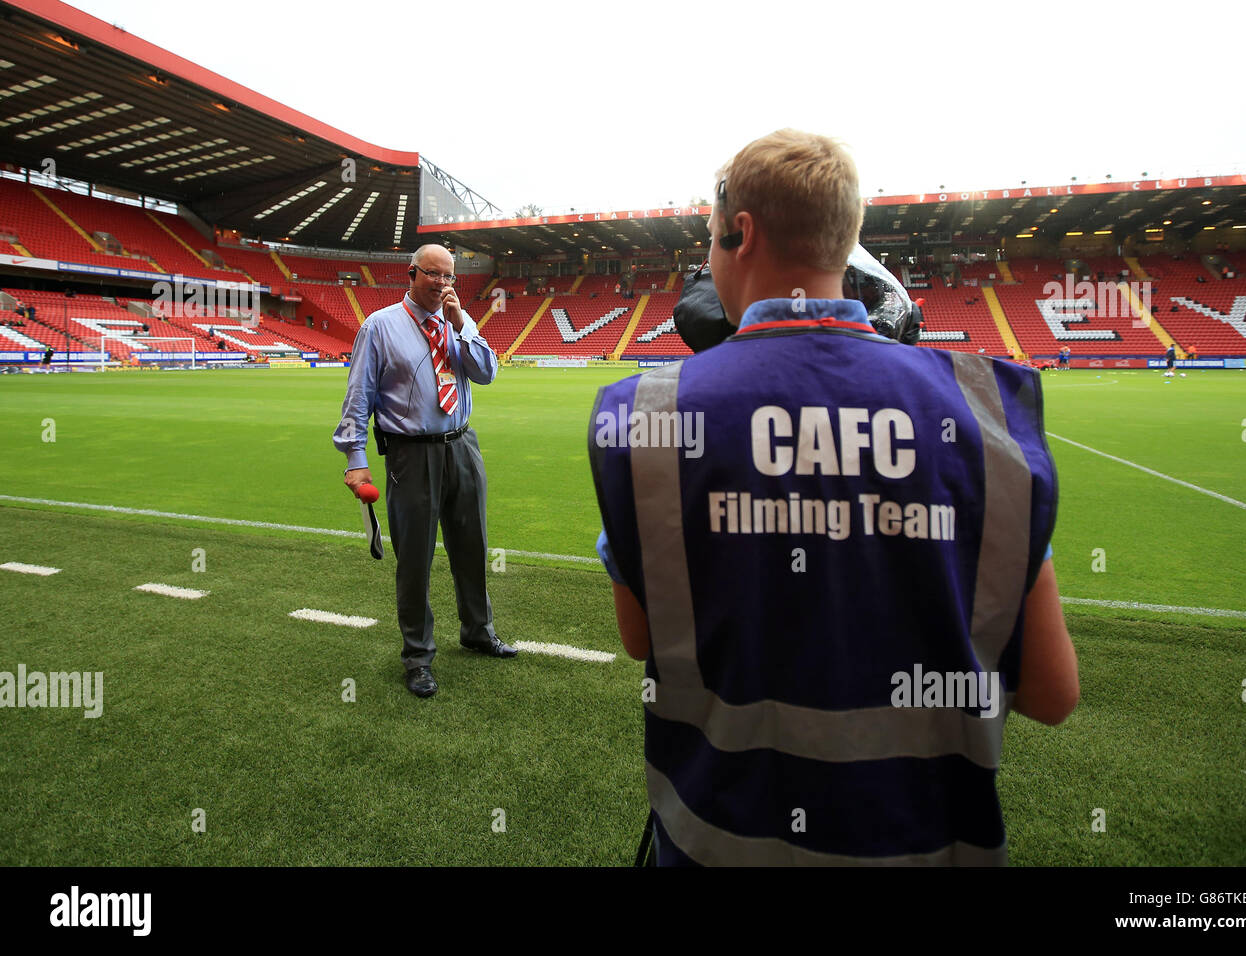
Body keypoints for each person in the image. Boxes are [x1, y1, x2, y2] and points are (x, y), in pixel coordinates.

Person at [589, 129, 1078, 865]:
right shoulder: (985, 415)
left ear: (741, 231)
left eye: (707, 243)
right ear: (844, 242)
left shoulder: (651, 415)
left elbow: (640, 640)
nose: (706, 262)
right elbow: (1050, 692)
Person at [334, 243, 515, 700]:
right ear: (411, 274)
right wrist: (356, 461)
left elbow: (488, 372)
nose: (441, 284)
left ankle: (477, 630)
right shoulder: (379, 327)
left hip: (462, 447)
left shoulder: (459, 322)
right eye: (432, 274)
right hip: (411, 456)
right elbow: (358, 399)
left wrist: (461, 327)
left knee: (473, 546)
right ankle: (417, 656)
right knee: (414, 559)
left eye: (449, 276)